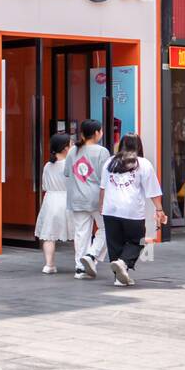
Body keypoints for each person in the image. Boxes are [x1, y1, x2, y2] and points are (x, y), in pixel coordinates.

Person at [100, 134, 166, 287]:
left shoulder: (110, 162)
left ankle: (119, 278)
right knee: (138, 241)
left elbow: (103, 187)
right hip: (132, 211)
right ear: (139, 146)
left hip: (110, 210)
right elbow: (153, 191)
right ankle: (123, 263)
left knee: (115, 243)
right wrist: (160, 209)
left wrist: (101, 206)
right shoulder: (142, 163)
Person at [65, 119, 110, 279]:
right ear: (97, 133)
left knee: (81, 233)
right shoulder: (102, 151)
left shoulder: (72, 151)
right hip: (97, 199)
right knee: (106, 229)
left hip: (76, 198)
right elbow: (107, 177)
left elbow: (67, 173)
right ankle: (91, 256)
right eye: (101, 130)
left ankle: (80, 268)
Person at [34, 133, 73, 274]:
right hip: (67, 199)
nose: (73, 146)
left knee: (49, 234)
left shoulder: (48, 165)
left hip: (50, 200)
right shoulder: (70, 165)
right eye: (71, 144)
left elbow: (44, 185)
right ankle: (80, 263)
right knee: (78, 233)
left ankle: (49, 264)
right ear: (65, 148)